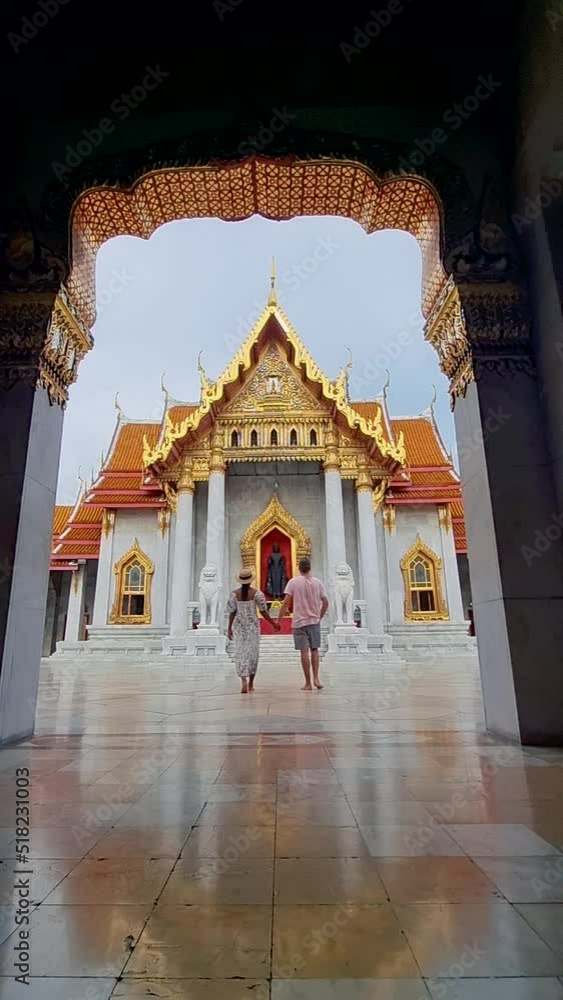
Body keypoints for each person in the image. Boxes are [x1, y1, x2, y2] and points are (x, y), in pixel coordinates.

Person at [278, 557, 328, 691]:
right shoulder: (318, 583)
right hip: (314, 621)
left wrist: (279, 619)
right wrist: (319, 617)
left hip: (299, 621)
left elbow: (286, 602)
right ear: (309, 568)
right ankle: (316, 678)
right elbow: (326, 602)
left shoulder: (293, 582)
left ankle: (308, 683)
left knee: (304, 651)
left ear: (299, 568)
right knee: (315, 649)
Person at [227, 568, 280, 693]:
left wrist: (229, 628)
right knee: (252, 654)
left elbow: (232, 612)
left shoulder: (234, 594)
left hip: (239, 626)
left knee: (240, 652)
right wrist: (274, 623)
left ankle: (243, 680)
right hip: (252, 627)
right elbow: (263, 611)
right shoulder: (257, 594)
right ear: (251, 580)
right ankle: (250, 683)